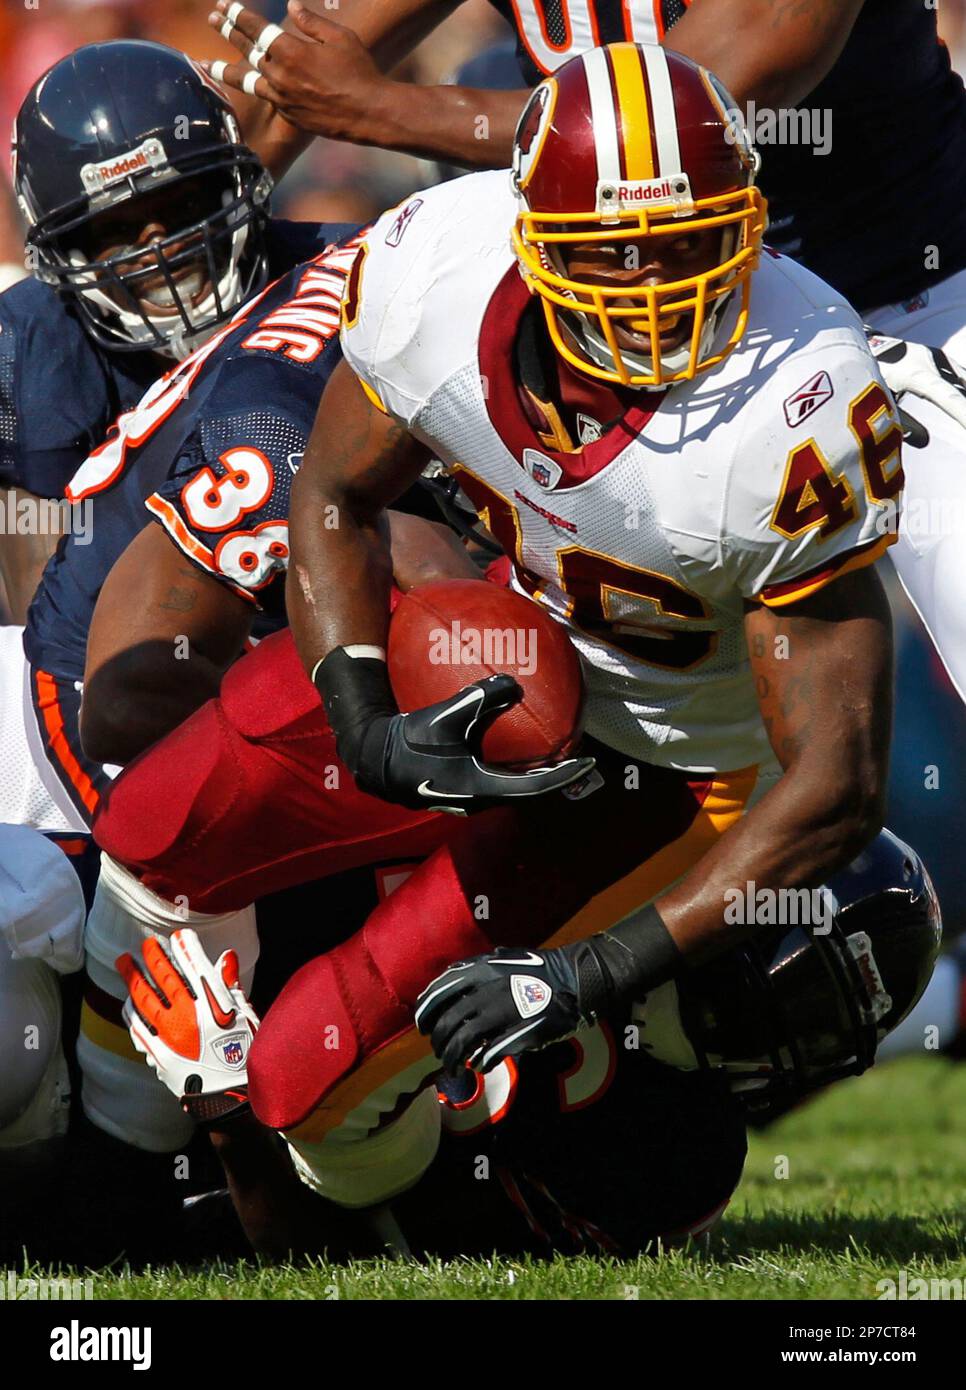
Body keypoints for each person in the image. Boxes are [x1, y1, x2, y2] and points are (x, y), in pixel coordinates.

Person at [87, 44, 905, 1208]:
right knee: (153, 825)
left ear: (750, 222)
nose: (655, 286)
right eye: (614, 253)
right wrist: (362, 710)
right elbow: (332, 495)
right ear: (529, 241)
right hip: (492, 662)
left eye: (690, 241)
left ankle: (438, 1197)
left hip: (663, 776)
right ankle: (115, 1173)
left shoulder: (796, 404)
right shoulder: (432, 270)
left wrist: (581, 974)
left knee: (305, 1078)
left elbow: (835, 784)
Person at [207, 0, 966, 703]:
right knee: (586, 694)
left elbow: (701, 100)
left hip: (901, 302)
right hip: (619, 319)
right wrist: (208, 214)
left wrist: (376, 106)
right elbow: (303, 66)